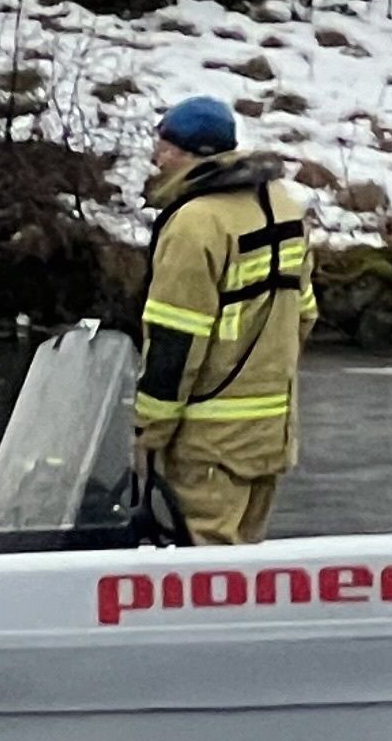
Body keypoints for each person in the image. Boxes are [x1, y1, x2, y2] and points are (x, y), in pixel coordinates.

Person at [131, 95, 309, 547]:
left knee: (205, 575)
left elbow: (175, 342)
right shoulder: (284, 205)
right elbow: (303, 314)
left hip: (207, 444)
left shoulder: (195, 222)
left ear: (188, 152)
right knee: (245, 573)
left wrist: (150, 432)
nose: (156, 157)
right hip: (271, 434)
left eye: (163, 146)